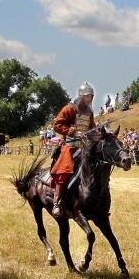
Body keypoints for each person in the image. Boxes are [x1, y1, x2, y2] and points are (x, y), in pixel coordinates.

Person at [48, 82, 97, 216]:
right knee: (65, 169)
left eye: (91, 97)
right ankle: (56, 203)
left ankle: (97, 204)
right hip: (69, 146)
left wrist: (96, 134)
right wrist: (73, 132)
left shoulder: (89, 113)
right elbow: (57, 125)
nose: (90, 99)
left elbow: (91, 128)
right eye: (88, 96)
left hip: (85, 147)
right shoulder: (69, 109)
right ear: (81, 96)